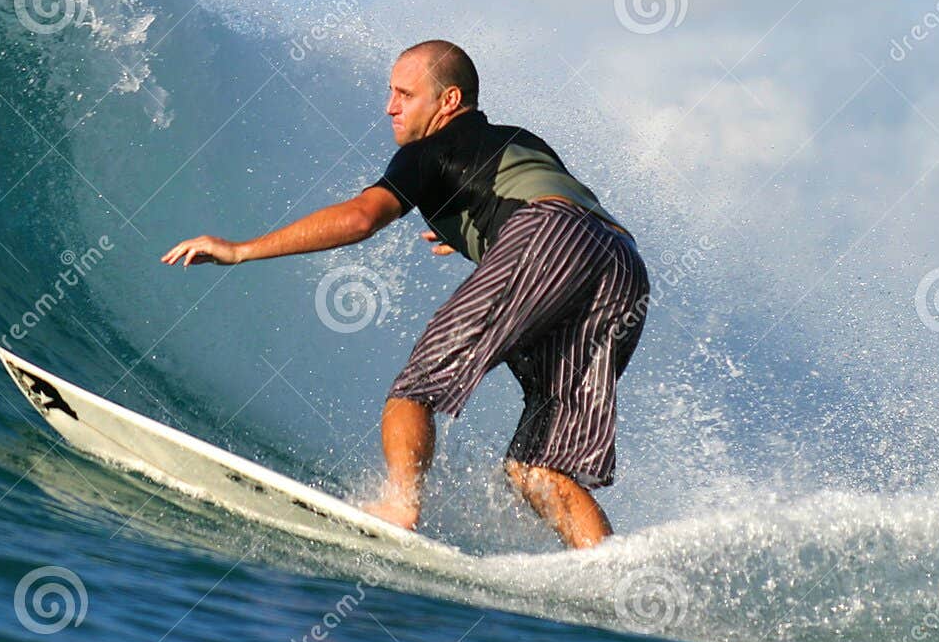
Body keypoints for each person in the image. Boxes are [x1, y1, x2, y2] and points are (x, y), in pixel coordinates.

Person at [161, 40, 650, 548]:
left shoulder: (428, 151)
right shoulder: (520, 140)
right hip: (622, 267)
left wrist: (241, 250)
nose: (390, 107)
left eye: (404, 94)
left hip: (548, 237)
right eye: (390, 93)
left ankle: (400, 505)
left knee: (414, 391)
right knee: (539, 467)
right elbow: (543, 206)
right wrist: (474, 233)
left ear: (448, 101)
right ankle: (610, 571)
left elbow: (360, 217)